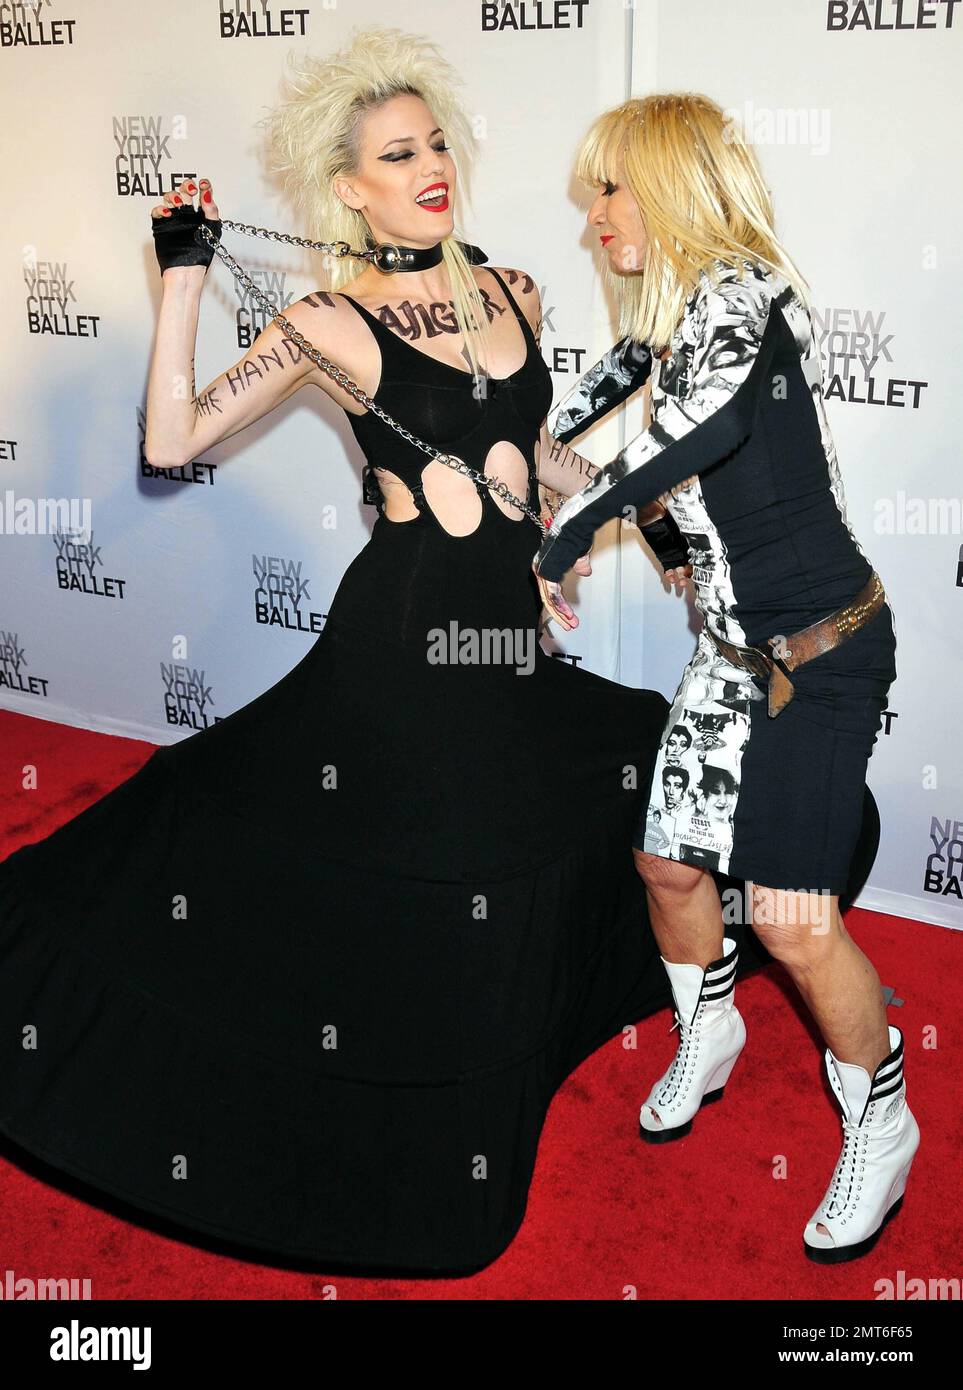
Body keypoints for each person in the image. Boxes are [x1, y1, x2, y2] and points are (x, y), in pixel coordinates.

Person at [0, 31, 769, 1277]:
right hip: (402, 653)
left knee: (626, 760)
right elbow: (171, 442)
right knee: (366, 865)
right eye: (396, 154)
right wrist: (183, 280)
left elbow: (537, 465)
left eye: (436, 143)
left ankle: (670, 998)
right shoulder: (327, 317)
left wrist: (660, 518)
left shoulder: (515, 290)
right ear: (348, 188)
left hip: (505, 648)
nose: (429, 166)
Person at [531, 93, 919, 1264]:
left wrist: (560, 537)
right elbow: (612, 395)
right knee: (665, 864)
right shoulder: (683, 316)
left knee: (795, 923)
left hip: (824, 656)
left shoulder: (744, 294)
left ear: (674, 184)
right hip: (733, 656)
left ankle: (884, 1118)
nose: (595, 217)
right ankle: (711, 1032)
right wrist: (543, 449)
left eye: (612, 187)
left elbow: (685, 437)